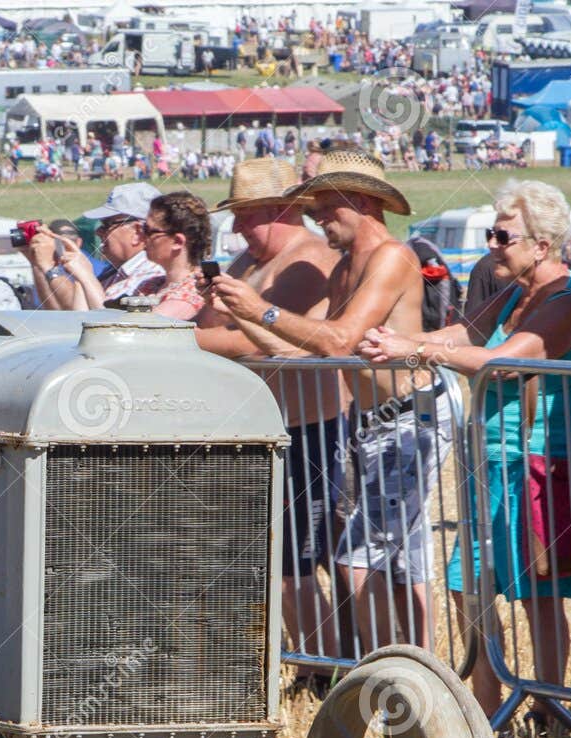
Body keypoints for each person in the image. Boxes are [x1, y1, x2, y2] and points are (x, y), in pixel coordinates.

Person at [361, 180, 571, 736]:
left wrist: (412, 348)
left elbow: (503, 362)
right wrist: (393, 338)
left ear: (541, 244)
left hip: (539, 460)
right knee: (468, 581)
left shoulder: (566, 300)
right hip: (488, 457)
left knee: (538, 591)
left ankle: (547, 708)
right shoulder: (517, 293)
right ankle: (485, 709)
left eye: (503, 235)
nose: (493, 244)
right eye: (491, 233)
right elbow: (466, 332)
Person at [210, 147, 460, 652]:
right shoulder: (347, 266)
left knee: (358, 560)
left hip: (410, 420)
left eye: (325, 204)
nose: (316, 216)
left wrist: (261, 310)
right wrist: (246, 315)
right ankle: (414, 669)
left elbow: (339, 340)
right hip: (373, 424)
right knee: (400, 563)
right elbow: (298, 349)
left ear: (362, 201)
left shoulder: (391, 257)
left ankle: (391, 670)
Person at [194, 158, 342, 671]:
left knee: (297, 560)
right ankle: (312, 660)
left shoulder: (308, 260)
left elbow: (248, 340)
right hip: (271, 425)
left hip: (308, 427)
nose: (235, 227)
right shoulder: (245, 265)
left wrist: (181, 339)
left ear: (281, 211)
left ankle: (323, 664)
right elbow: (218, 325)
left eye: (245, 216)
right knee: (277, 559)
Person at [22, 182, 164, 310]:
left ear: (137, 233)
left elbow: (105, 323)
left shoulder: (151, 275)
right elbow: (63, 314)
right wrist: (39, 264)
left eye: (107, 225)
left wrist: (53, 268)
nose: (98, 231)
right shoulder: (117, 271)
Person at [134, 192, 208, 320]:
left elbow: (139, 332)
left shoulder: (192, 294)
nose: (141, 237)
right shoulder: (150, 285)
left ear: (177, 242)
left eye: (148, 230)